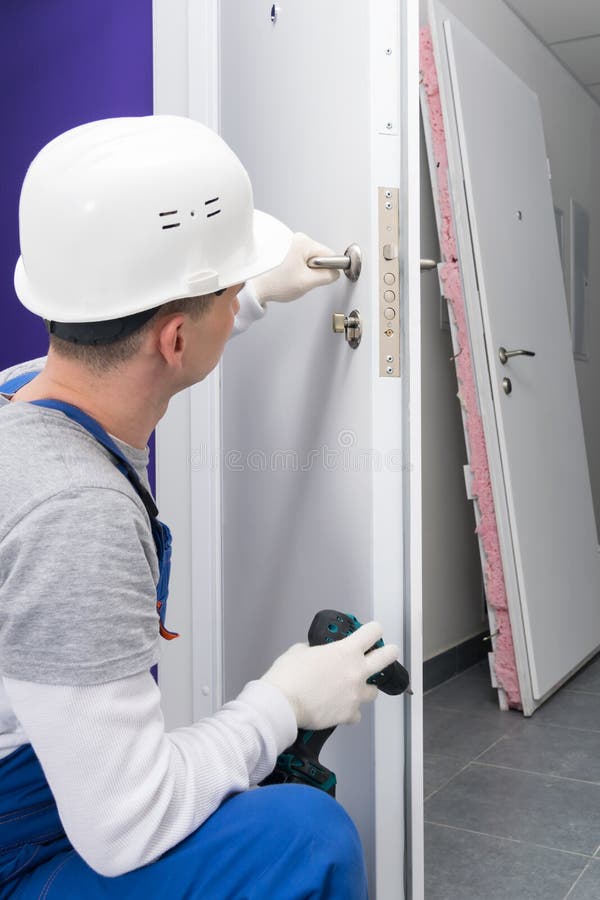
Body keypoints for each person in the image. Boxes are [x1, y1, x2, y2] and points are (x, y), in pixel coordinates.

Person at [0, 116, 398, 899]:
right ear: (176, 339)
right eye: (226, 292)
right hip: (22, 848)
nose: (236, 300)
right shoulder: (76, 513)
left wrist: (248, 292)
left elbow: (142, 348)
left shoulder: (24, 399)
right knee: (304, 840)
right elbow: (127, 826)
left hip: (44, 776)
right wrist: (282, 704)